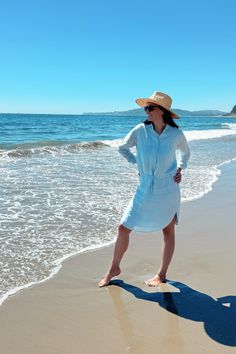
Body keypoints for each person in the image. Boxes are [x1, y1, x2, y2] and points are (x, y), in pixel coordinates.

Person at [99, 91, 191, 287]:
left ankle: (161, 274)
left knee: (168, 231)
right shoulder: (140, 130)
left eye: (150, 108)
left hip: (168, 188)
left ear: (162, 111)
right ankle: (114, 268)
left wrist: (181, 168)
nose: (146, 111)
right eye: (146, 108)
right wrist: (136, 164)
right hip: (144, 188)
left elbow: (185, 152)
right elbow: (122, 147)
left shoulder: (176, 134)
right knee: (124, 227)